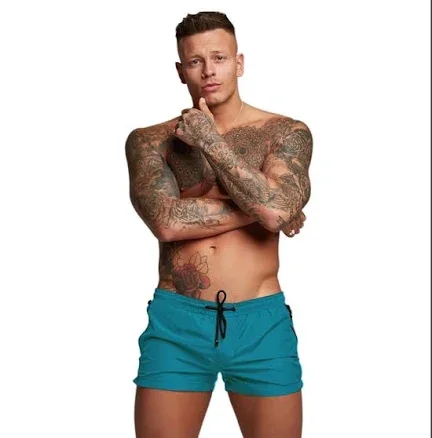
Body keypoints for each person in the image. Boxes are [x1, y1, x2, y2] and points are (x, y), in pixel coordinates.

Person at [125, 11, 313, 438]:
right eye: (195, 62)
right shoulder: (149, 140)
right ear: (181, 71)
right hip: (177, 323)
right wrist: (265, 207)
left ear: (239, 63)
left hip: (260, 323)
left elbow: (277, 210)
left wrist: (210, 141)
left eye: (219, 58)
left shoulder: (285, 132)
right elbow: (166, 222)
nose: (208, 71)